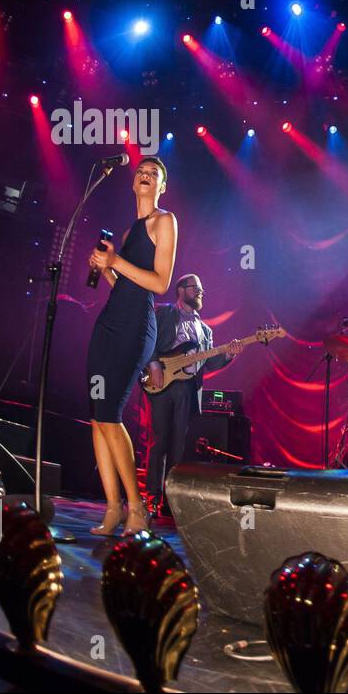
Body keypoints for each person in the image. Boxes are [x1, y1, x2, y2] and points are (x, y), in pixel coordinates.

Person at [84, 157, 177, 536]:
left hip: (136, 328)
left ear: (162, 187)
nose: (145, 175)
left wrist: (116, 261)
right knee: (96, 415)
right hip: (108, 323)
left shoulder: (164, 221)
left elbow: (159, 284)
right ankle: (112, 508)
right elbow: (124, 284)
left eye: (153, 174)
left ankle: (137, 508)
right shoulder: (128, 231)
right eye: (141, 171)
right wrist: (105, 267)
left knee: (111, 412)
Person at [144, 274, 242, 517]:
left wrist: (229, 354)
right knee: (160, 441)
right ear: (181, 290)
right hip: (162, 382)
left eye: (201, 289)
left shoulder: (205, 330)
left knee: (179, 446)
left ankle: (170, 501)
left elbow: (208, 364)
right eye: (196, 288)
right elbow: (146, 339)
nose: (201, 292)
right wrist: (154, 364)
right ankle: (152, 497)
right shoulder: (163, 313)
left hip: (188, 390)